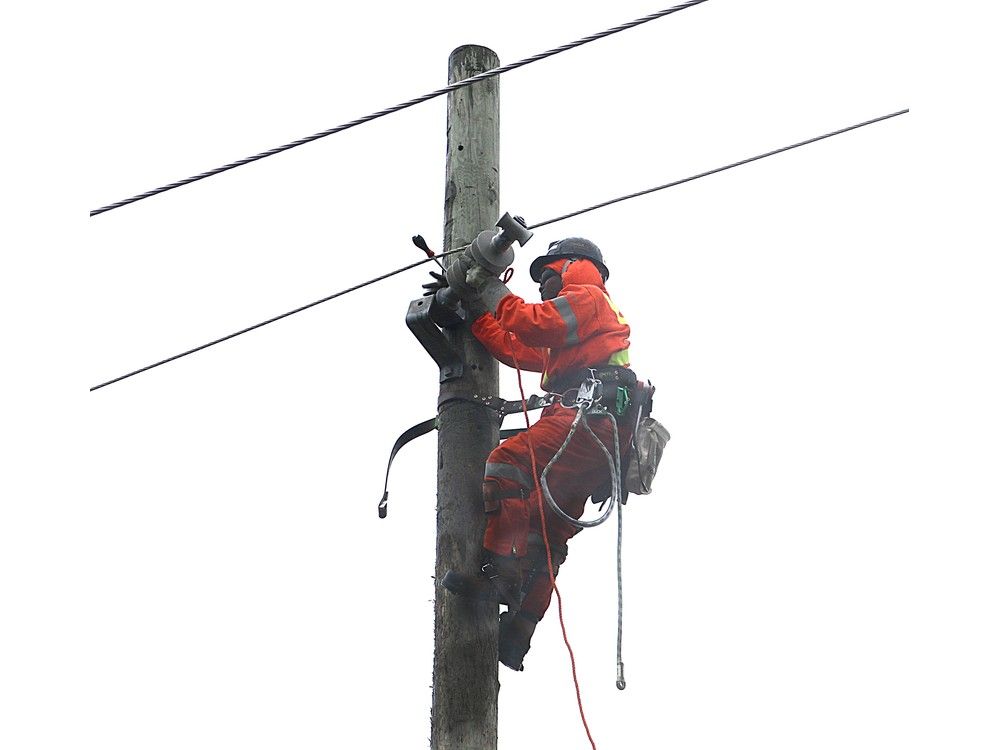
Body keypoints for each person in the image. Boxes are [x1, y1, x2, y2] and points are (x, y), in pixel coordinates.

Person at [436, 237, 639, 671]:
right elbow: (516, 344)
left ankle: (498, 574)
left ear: (573, 266)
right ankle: (518, 632)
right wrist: (475, 314)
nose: (543, 285)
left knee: (507, 463)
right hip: (601, 441)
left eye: (547, 274)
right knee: (546, 532)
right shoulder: (577, 330)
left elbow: (529, 321)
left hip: (586, 419)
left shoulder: (586, 298)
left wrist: (485, 284)